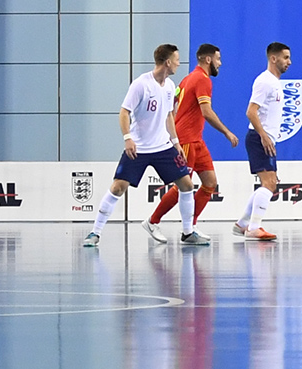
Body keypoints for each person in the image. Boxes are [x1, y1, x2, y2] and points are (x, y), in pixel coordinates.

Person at [84, 44, 210, 246]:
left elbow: (169, 115)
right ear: (168, 62)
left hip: (163, 147)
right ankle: (95, 233)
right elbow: (124, 112)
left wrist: (175, 142)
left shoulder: (170, 86)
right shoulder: (141, 84)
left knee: (187, 185)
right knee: (118, 188)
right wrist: (127, 138)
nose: (179, 63)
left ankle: (188, 233)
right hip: (139, 148)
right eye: (176, 59)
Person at [142, 44, 240, 236]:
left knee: (210, 183)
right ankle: (152, 221)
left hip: (197, 140)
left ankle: (191, 226)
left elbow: (175, 107)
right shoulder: (203, 80)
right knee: (183, 186)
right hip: (187, 141)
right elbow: (206, 111)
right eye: (218, 59)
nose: (220, 63)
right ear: (208, 60)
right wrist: (227, 132)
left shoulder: (187, 79)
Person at [230, 42, 293, 241]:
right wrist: (264, 136)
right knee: (269, 183)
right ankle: (253, 228)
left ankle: (242, 224)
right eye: (285, 58)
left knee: (270, 183)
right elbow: (251, 111)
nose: (289, 62)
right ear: (273, 58)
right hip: (259, 139)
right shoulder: (265, 81)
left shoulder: (274, 82)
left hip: (264, 138)